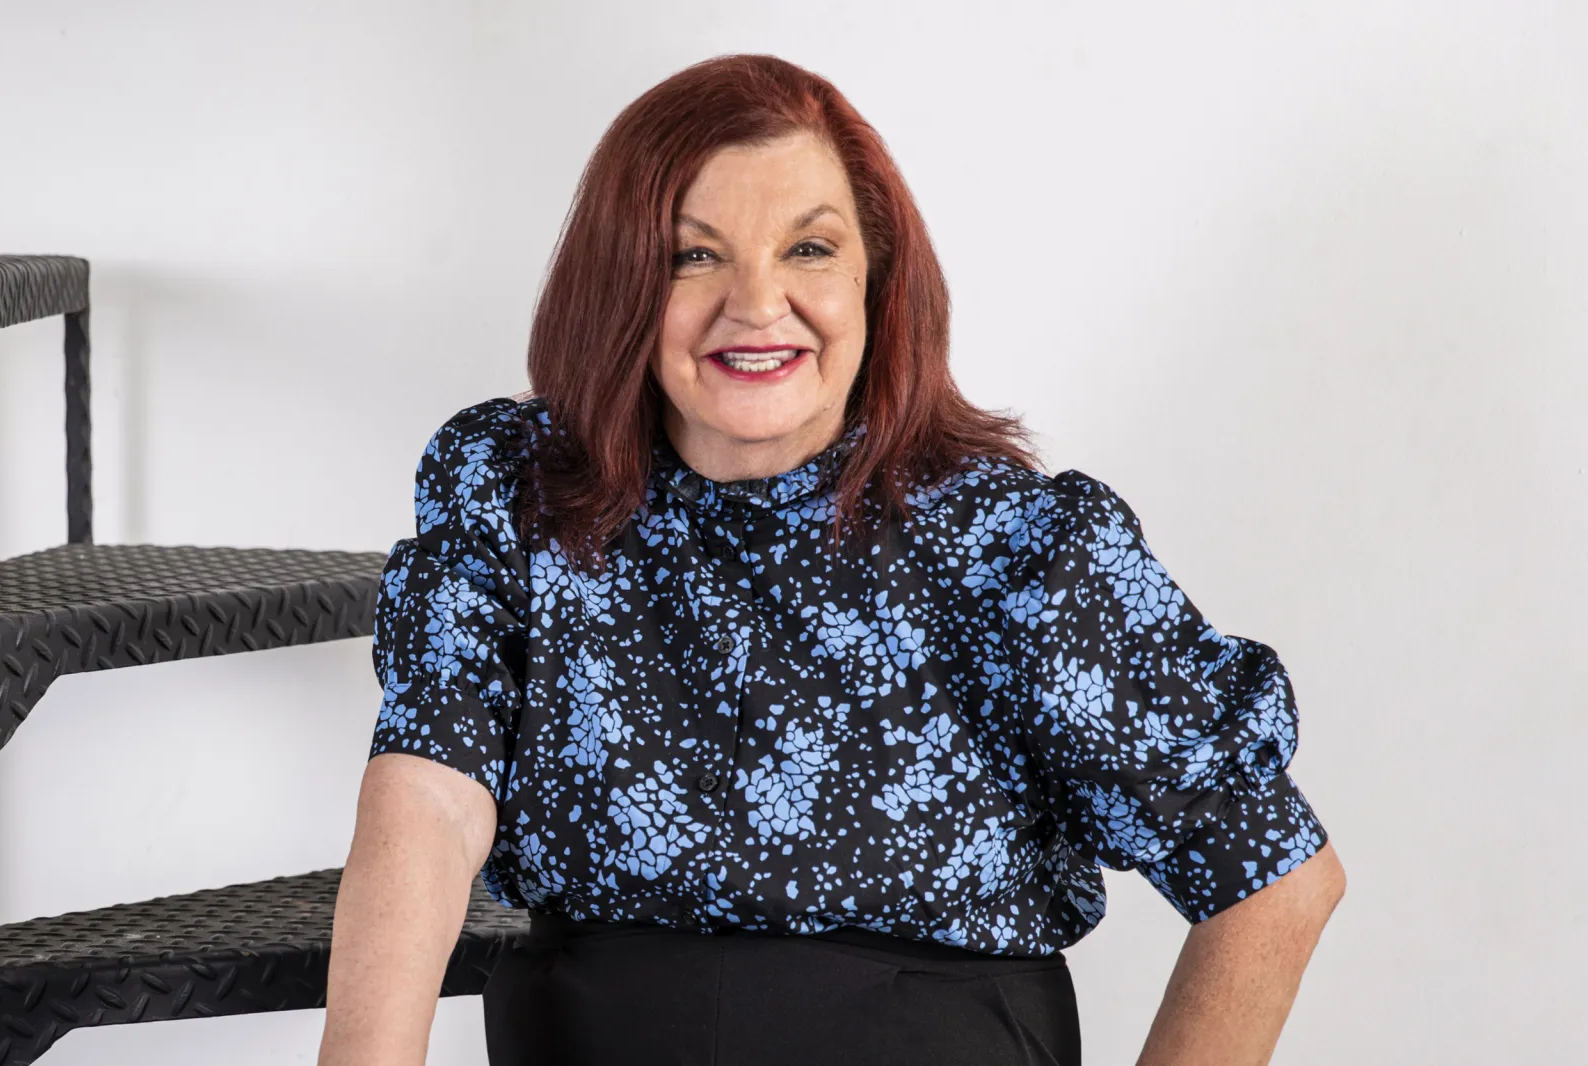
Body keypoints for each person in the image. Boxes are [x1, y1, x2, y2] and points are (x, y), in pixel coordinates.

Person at [317, 53, 1345, 1066]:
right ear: (621, 285)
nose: (758, 304)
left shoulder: (1017, 546)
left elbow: (1275, 881)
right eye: (693, 256)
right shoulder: (513, 487)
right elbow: (431, 792)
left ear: (875, 280)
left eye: (808, 249)